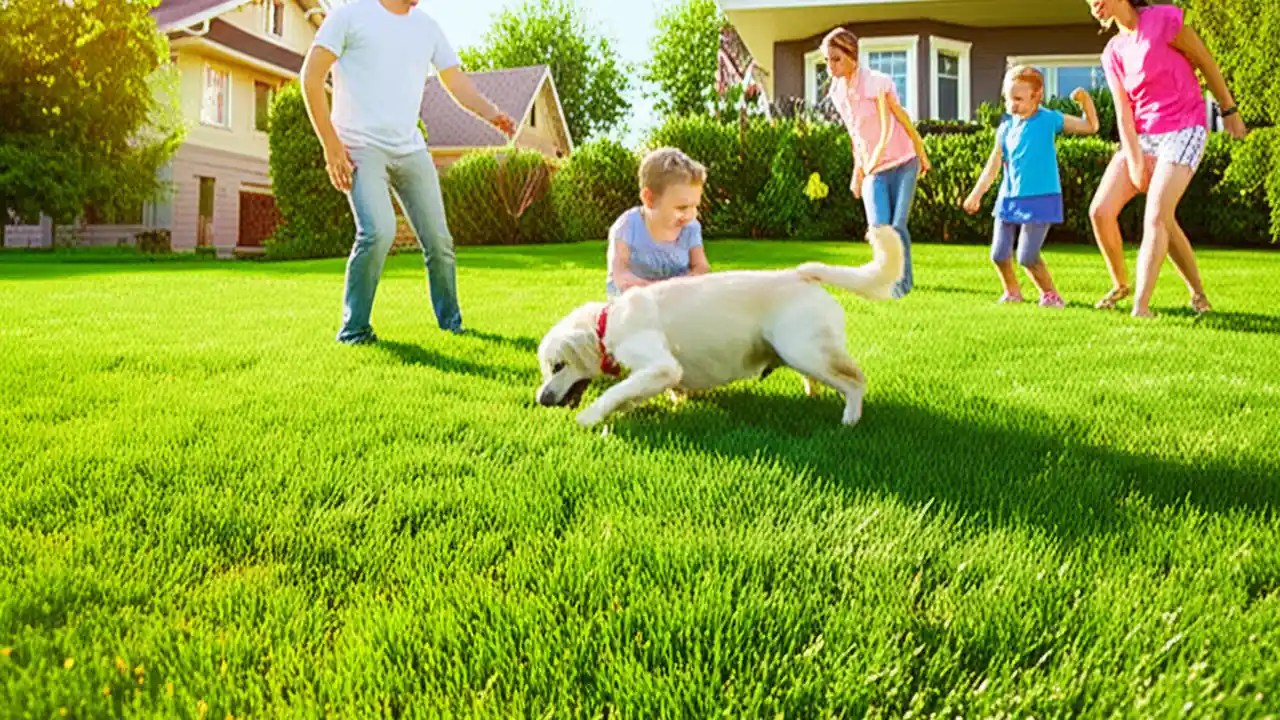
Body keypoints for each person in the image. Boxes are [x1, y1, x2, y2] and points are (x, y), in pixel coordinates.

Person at [300, 0, 516, 344]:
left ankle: (452, 326)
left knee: (439, 242)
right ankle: (354, 330)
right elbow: (310, 77)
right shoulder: (350, 15)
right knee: (377, 232)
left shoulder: (427, 27)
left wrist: (493, 114)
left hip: (410, 148)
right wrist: (331, 145)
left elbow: (456, 82)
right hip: (360, 147)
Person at [1086, 0, 1248, 317]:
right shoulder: (1113, 51)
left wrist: (1228, 110)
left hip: (1184, 127)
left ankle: (1141, 308)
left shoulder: (1163, 19)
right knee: (1101, 211)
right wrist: (1133, 159)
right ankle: (1127, 285)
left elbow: (1204, 59)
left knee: (1157, 215)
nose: (1092, 4)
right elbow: (1123, 112)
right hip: (1144, 136)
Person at [964, 66, 1100, 307]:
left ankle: (1050, 294)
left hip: (1041, 197)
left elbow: (1091, 127)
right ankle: (1012, 292)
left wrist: (1085, 101)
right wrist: (977, 193)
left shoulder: (1049, 119)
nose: (1012, 105)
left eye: (1018, 99)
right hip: (1008, 198)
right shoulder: (1006, 128)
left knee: (1027, 256)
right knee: (998, 253)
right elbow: (993, 165)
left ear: (1037, 96)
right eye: (1008, 99)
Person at [820, 26, 931, 299]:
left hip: (903, 161)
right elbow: (855, 133)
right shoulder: (837, 93)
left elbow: (900, 117)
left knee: (897, 226)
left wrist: (921, 151)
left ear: (852, 57)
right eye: (826, 60)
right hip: (873, 168)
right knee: (879, 228)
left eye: (836, 59)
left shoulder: (878, 82)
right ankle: (885, 278)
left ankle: (902, 284)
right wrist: (858, 171)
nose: (830, 66)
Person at [605, 147, 711, 298]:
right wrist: (657, 292)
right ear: (649, 198)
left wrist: (678, 289)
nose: (690, 214)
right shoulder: (628, 225)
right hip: (633, 303)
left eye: (695, 206)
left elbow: (701, 267)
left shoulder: (690, 227)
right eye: (682, 207)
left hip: (675, 300)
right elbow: (620, 275)